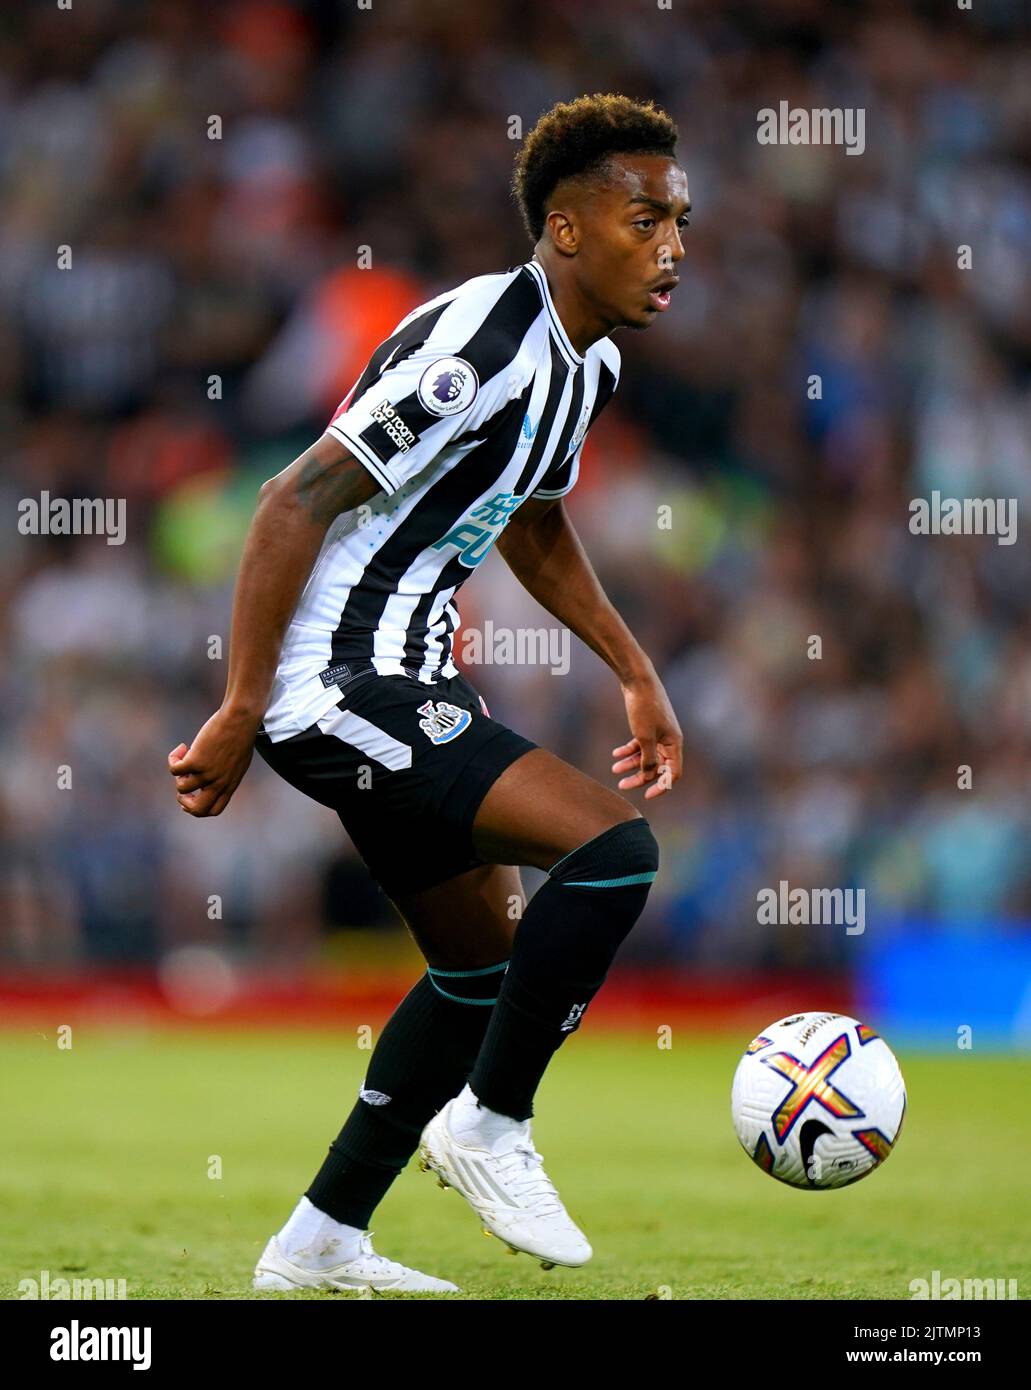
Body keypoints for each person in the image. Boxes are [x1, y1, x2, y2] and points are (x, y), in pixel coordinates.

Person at [169, 93, 688, 1294]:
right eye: (644, 218)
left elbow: (534, 521)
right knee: (612, 851)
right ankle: (490, 1122)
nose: (672, 247)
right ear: (565, 230)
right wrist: (242, 708)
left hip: (406, 673)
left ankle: (320, 1243)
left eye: (679, 220)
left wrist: (634, 669)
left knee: (477, 970)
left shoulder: (587, 361)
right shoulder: (481, 350)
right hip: (334, 680)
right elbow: (289, 499)